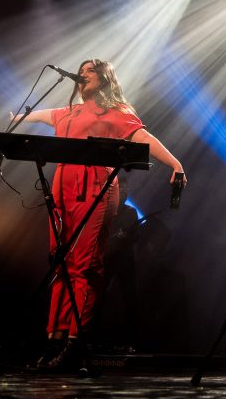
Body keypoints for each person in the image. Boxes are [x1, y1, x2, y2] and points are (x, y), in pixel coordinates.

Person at [12, 58, 186, 372]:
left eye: (91, 70)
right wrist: (20, 118)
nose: (83, 74)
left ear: (105, 78)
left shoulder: (116, 112)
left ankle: (76, 343)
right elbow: (42, 115)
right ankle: (54, 340)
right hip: (62, 188)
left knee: (84, 264)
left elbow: (143, 138)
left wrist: (175, 164)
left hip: (94, 185)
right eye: (82, 71)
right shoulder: (69, 112)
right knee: (61, 262)